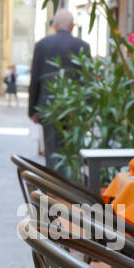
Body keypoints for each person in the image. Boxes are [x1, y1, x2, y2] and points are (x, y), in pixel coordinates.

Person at [28, 10, 90, 174]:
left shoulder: (41, 45)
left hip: (48, 107)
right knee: (72, 150)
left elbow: (35, 79)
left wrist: (32, 110)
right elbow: (88, 81)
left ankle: (53, 191)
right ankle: (70, 191)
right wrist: (88, 111)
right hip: (74, 108)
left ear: (55, 26)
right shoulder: (82, 46)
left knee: (51, 151)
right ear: (72, 26)